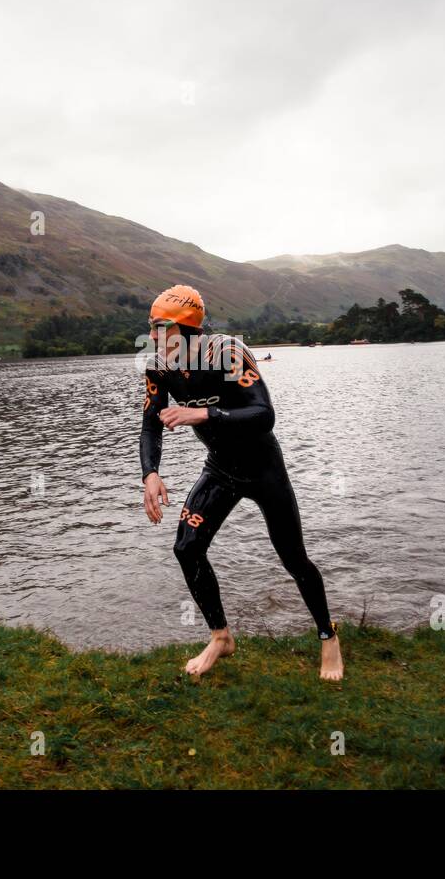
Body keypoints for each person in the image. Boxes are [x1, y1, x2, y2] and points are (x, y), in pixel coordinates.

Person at [139, 285, 344, 681]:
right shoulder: (158, 367)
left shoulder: (227, 353)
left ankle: (327, 635)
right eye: (150, 327)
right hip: (221, 469)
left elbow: (263, 414)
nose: (152, 336)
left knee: (293, 559)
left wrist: (204, 416)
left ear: (186, 330)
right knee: (187, 547)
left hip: (262, 467)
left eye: (160, 327)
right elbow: (151, 425)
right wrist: (150, 472)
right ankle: (221, 637)